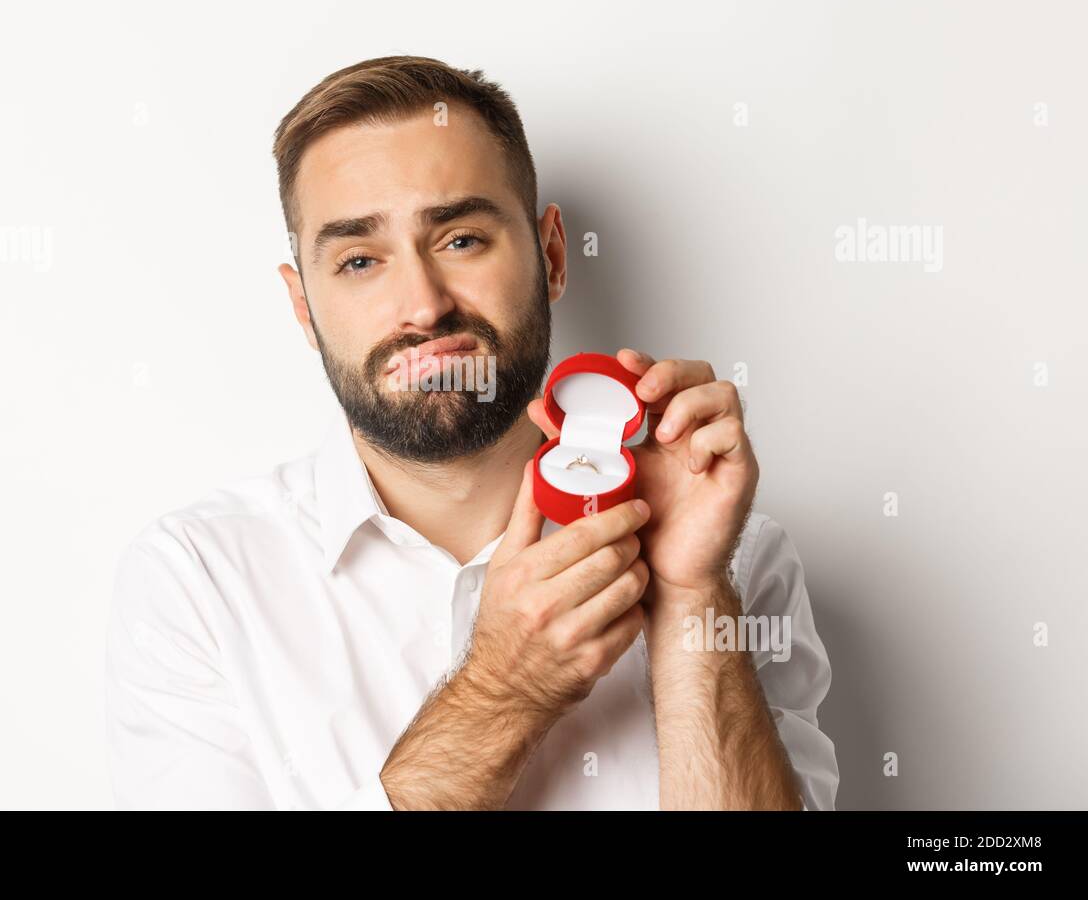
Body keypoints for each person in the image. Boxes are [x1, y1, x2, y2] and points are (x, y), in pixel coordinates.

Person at [105, 55, 839, 810]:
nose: (421, 306)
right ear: (304, 308)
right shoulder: (198, 582)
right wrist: (502, 691)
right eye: (359, 260)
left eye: (460, 240)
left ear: (551, 255)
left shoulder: (731, 557)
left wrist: (690, 598)